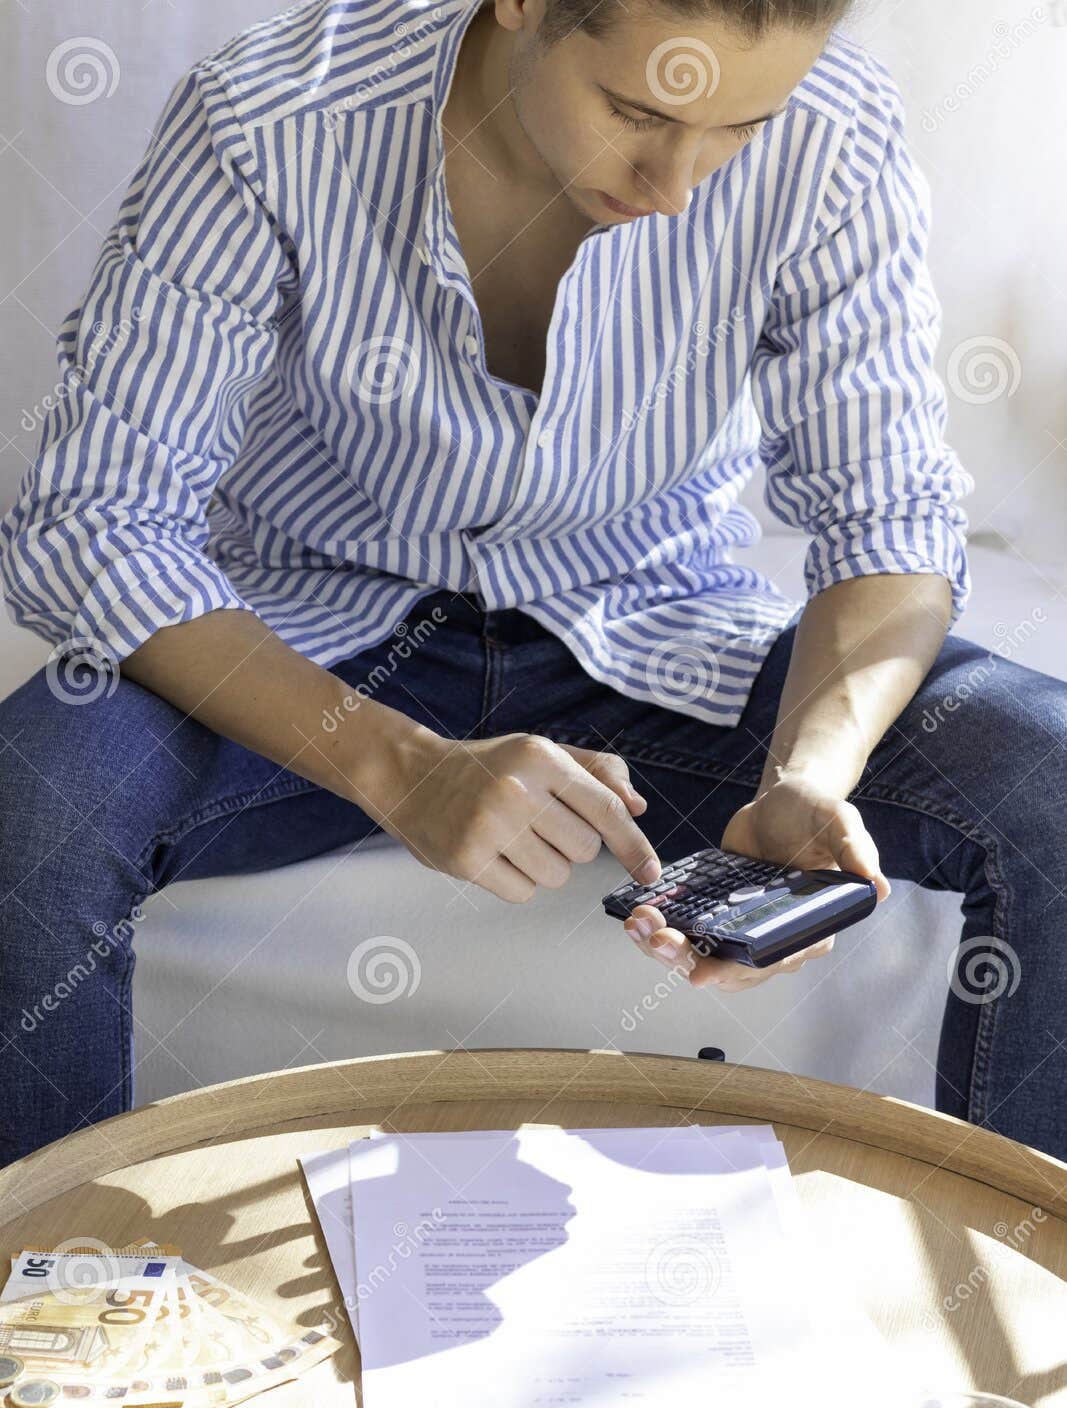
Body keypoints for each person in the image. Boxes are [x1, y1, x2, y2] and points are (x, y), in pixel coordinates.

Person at [1, 0, 1062, 1163]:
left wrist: (807, 770)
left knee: (1050, 778)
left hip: (657, 625)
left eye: (737, 129)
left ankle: (1019, 1296)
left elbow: (889, 524)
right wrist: (394, 765)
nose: (675, 186)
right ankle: (42, 1307)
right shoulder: (270, 116)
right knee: (28, 813)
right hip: (310, 631)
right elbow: (92, 518)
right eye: (637, 112)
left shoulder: (835, 133)